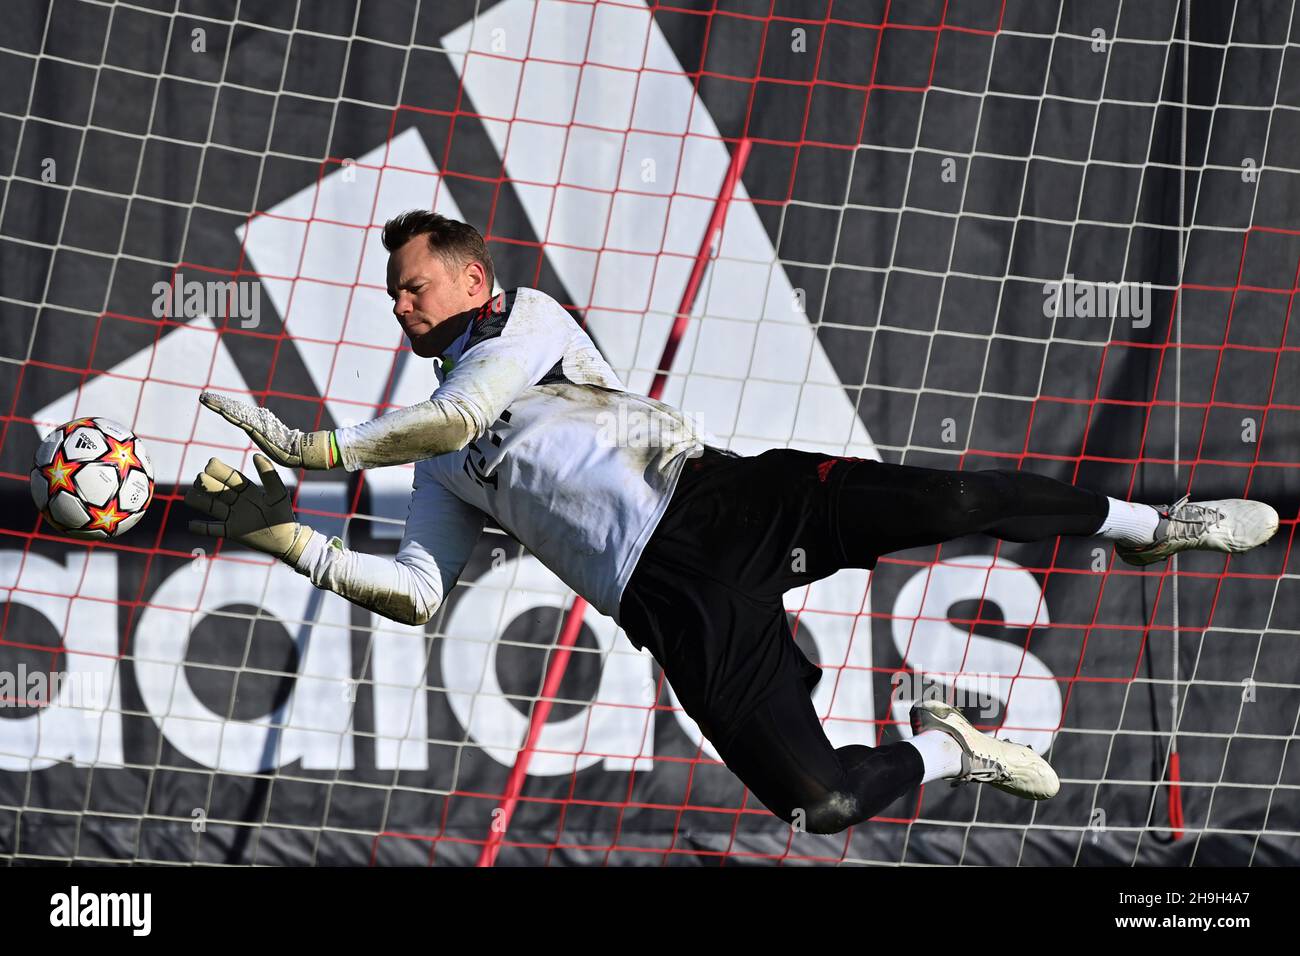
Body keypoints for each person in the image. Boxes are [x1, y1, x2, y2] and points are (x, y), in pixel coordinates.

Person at [186, 212, 1280, 834]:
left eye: (414, 285)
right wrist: (287, 537)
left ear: (474, 278)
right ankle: (948, 748)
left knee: (955, 501)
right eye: (392, 294)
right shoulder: (435, 461)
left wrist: (316, 450)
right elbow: (419, 594)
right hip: (673, 605)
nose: (399, 304)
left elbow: (464, 408)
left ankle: (1147, 522)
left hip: (722, 500)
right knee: (825, 803)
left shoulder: (524, 326)